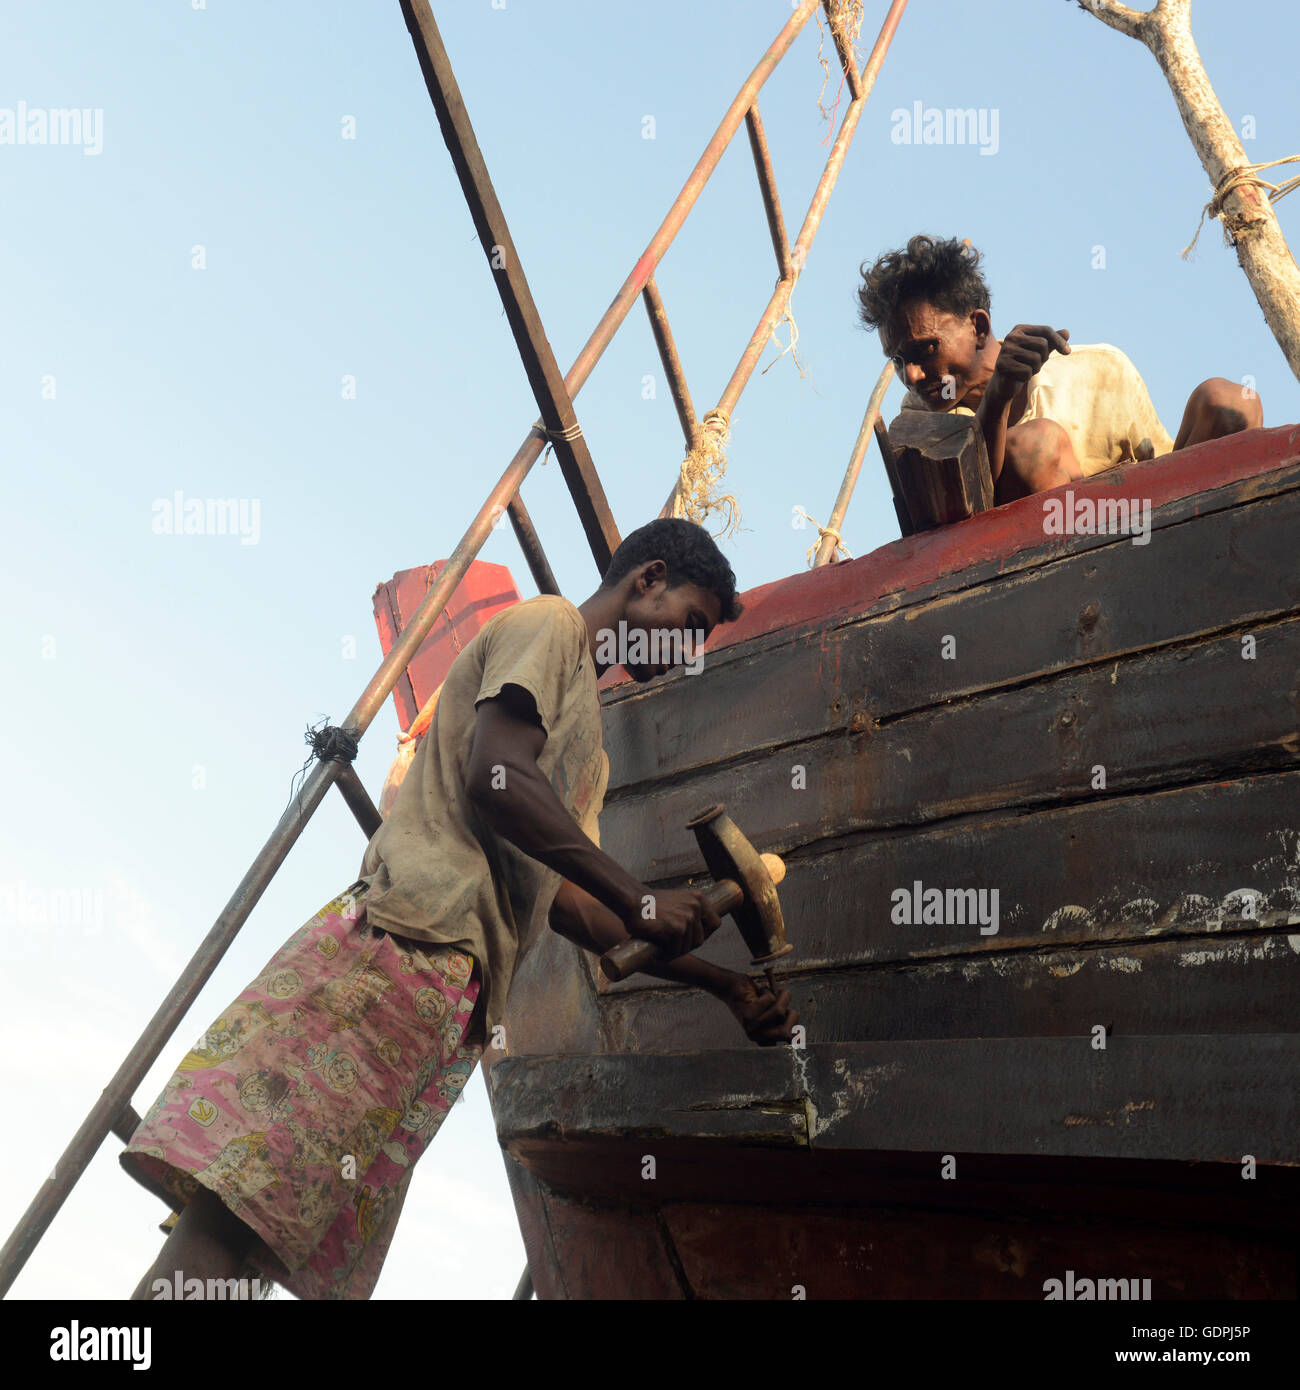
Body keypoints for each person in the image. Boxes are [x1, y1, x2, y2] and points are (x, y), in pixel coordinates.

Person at [122, 517, 798, 1300]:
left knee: (278, 1221)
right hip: (407, 948)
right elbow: (497, 776)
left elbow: (573, 905)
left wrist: (721, 983)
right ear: (647, 578)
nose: (689, 652)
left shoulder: (593, 748)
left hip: (447, 1000)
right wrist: (640, 895)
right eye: (690, 626)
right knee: (245, 1206)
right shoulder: (550, 627)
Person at [856, 235, 1263, 503]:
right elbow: (965, 517)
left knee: (1227, 401)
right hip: (1046, 590)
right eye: (898, 360)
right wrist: (997, 397)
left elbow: (1165, 470)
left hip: (1158, 541)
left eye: (924, 350)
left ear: (978, 327)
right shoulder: (917, 427)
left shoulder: (1100, 369)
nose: (910, 375)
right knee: (1034, 447)